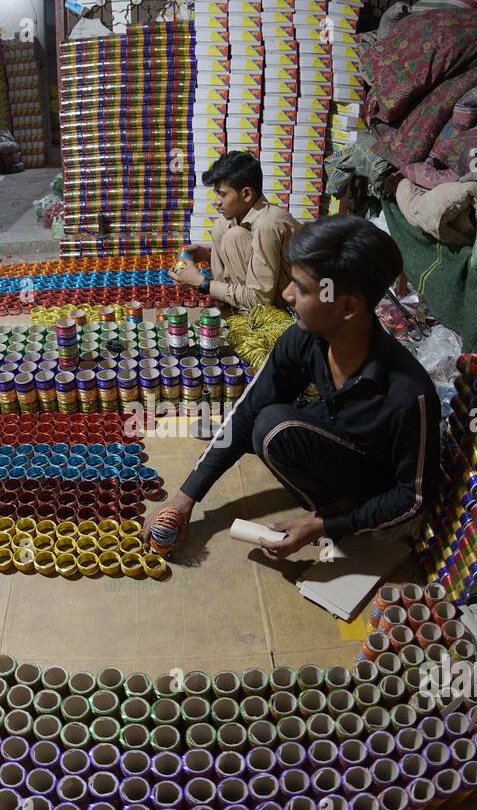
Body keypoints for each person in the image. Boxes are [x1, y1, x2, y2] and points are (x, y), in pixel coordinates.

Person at [148, 214, 441, 559]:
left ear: (347, 306)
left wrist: (326, 525)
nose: (286, 294)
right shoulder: (304, 339)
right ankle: (336, 504)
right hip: (337, 443)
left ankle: (342, 511)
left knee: (275, 427)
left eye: (301, 287)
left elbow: (414, 497)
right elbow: (247, 411)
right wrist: (186, 499)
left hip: (375, 484)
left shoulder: (409, 393)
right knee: (262, 422)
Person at [170, 151, 300, 314]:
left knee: (234, 235)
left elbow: (261, 299)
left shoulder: (268, 225)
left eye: (222, 194)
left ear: (246, 194)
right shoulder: (239, 216)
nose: (216, 201)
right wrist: (207, 254)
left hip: (286, 308)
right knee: (221, 227)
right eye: (216, 193)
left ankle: (248, 314)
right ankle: (233, 305)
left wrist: (202, 283)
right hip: (265, 294)